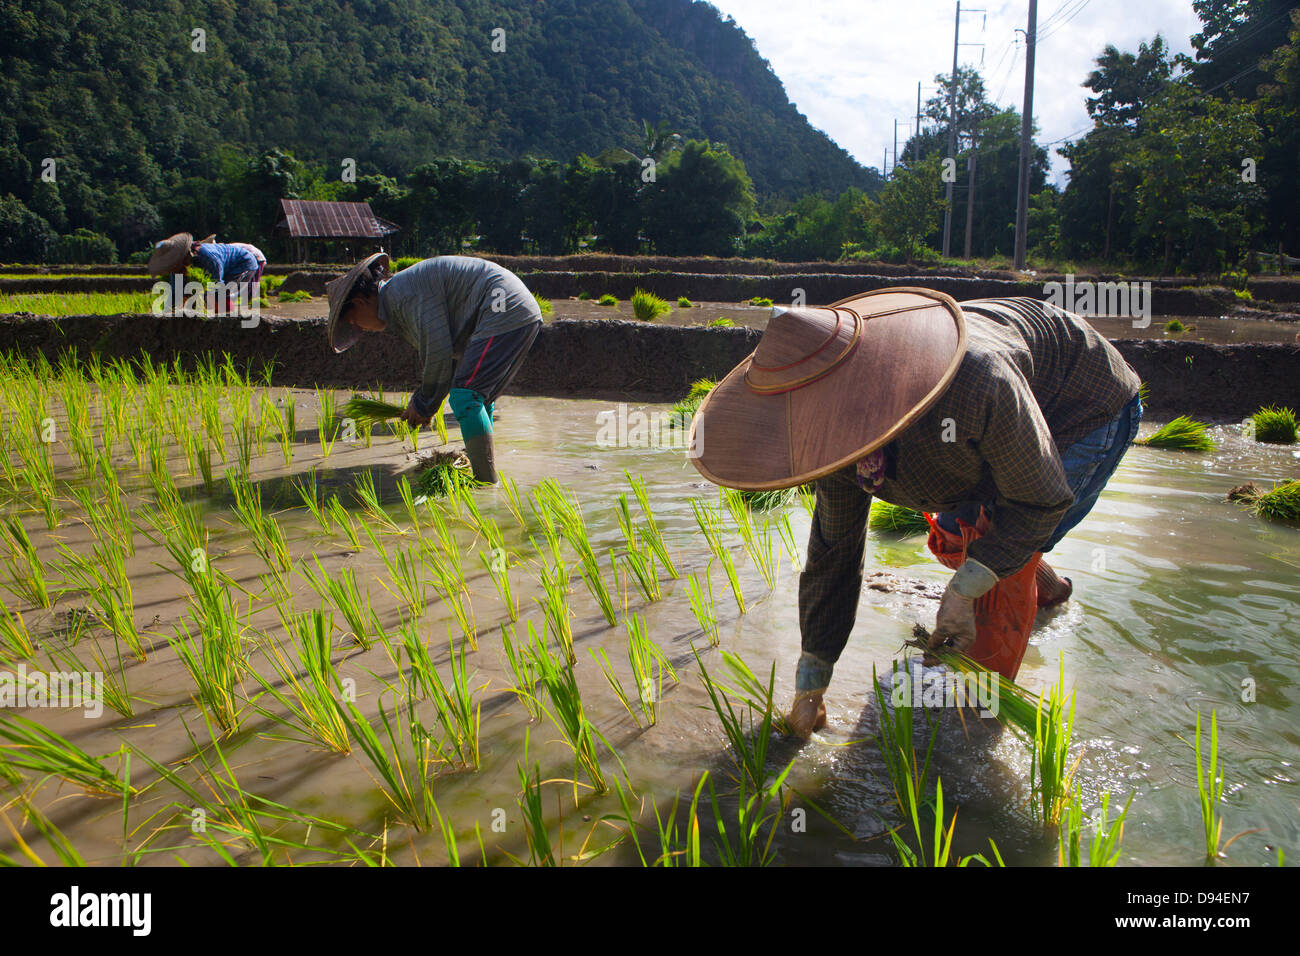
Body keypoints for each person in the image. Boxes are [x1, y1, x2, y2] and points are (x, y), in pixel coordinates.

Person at [688, 289, 1142, 738]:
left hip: (1079, 408)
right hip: (984, 430)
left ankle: (980, 724)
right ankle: (1048, 588)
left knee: (994, 582)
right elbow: (834, 559)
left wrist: (965, 591)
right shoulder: (834, 444)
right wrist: (811, 689)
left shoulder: (978, 384)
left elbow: (1037, 499)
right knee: (952, 542)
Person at [325, 254, 543, 483]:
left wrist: (424, 404)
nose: (357, 327)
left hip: (502, 307)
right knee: (477, 397)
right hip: (515, 309)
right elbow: (448, 354)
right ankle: (479, 465)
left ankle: (485, 484)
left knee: (465, 397)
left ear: (360, 302)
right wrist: (426, 402)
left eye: (353, 320)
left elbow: (437, 351)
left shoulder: (402, 295)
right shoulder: (398, 296)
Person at [147, 233, 265, 312]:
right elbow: (175, 295)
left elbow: (216, 287)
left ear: (183, 257)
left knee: (221, 295)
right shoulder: (177, 269)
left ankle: (228, 326)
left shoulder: (208, 258)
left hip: (243, 263)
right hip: (225, 265)